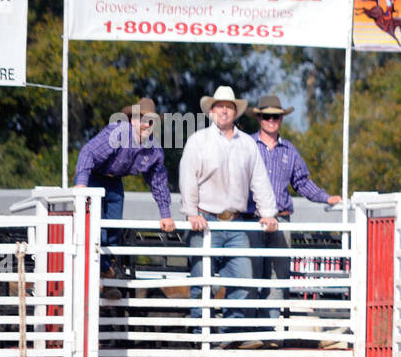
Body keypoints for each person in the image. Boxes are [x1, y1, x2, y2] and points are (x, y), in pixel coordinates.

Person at [179, 86, 278, 330]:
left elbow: (259, 179)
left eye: (229, 107)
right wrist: (191, 212)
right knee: (203, 283)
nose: (224, 111)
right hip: (205, 219)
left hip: (236, 222)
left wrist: (268, 213)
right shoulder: (198, 141)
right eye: (220, 106)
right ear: (211, 111)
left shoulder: (247, 144)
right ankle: (201, 340)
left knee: (243, 281)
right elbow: (188, 176)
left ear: (235, 112)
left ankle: (228, 339)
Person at [244, 94, 341, 331]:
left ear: (281, 120)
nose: (271, 120)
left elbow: (302, 182)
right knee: (249, 275)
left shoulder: (289, 150)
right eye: (267, 116)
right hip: (251, 219)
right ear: (259, 118)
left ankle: (269, 333)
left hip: (281, 217)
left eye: (275, 116)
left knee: (277, 278)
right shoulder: (246, 145)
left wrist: (326, 197)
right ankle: (247, 331)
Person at [74, 97, 176, 283]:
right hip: (93, 178)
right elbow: (88, 152)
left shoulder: (154, 150)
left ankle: (104, 277)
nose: (146, 124)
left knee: (113, 231)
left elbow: (158, 181)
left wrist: (165, 213)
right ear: (132, 120)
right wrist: (81, 186)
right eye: (142, 119)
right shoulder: (117, 133)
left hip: (114, 183)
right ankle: (95, 275)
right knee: (96, 231)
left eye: (151, 121)